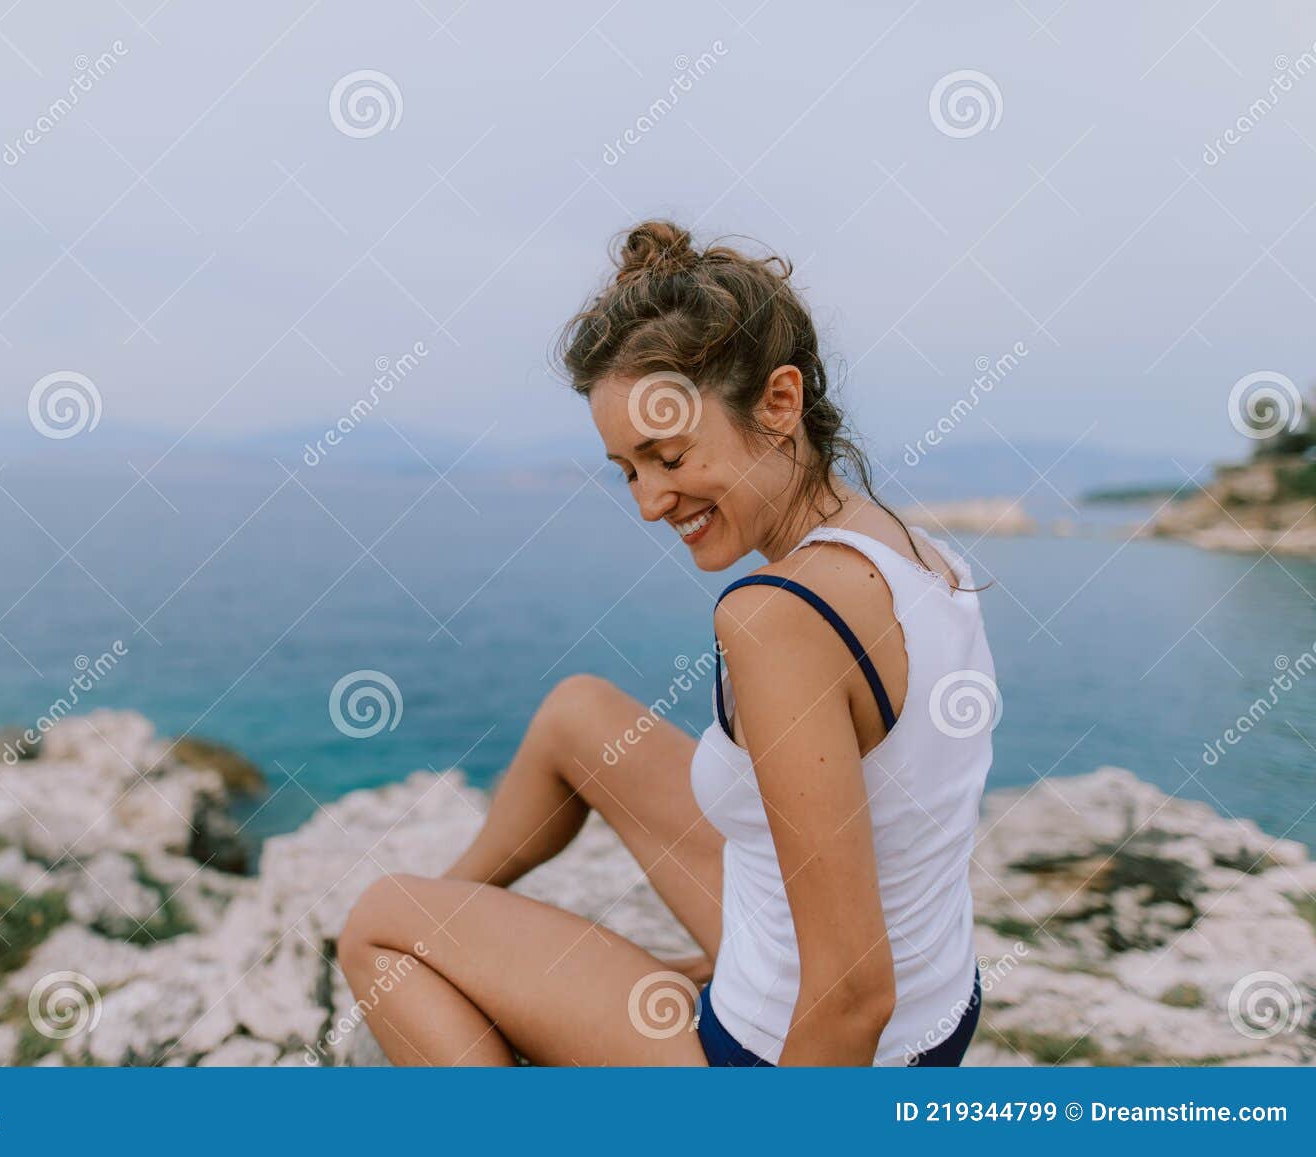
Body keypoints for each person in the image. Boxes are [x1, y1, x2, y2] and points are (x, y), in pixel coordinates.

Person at [337, 220, 994, 1066]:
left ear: (780, 402)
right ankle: (466, 934)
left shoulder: (778, 616)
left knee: (380, 926)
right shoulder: (919, 555)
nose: (651, 501)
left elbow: (855, 993)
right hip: (938, 1007)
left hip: (783, 1051)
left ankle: (450, 982)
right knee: (581, 714)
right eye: (628, 470)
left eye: (671, 455)